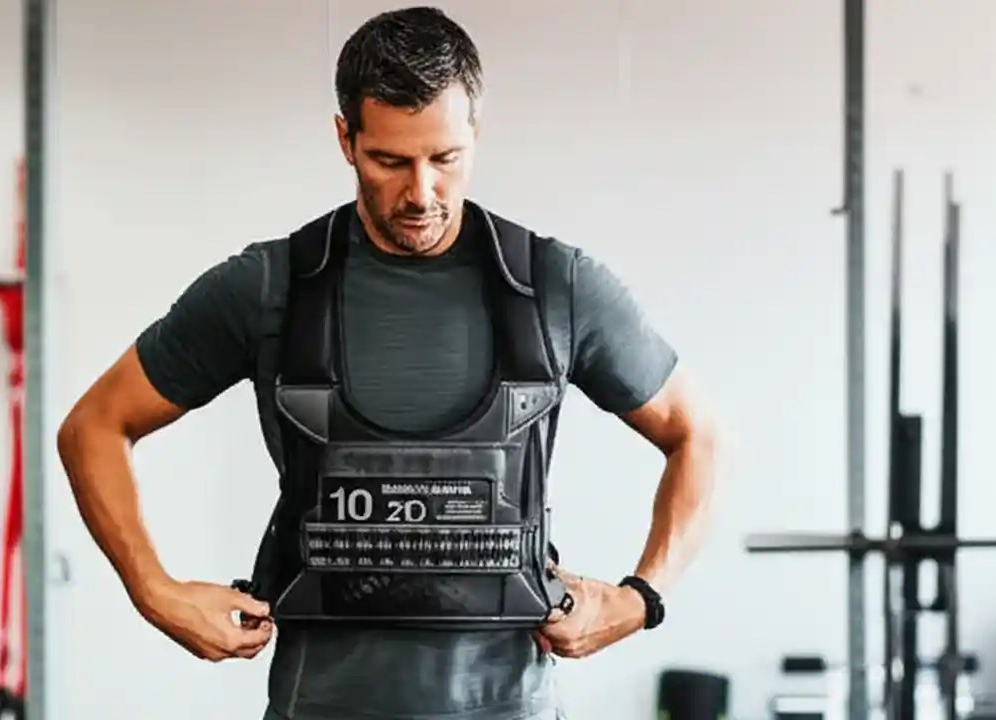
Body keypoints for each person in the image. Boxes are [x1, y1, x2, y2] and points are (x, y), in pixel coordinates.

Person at [56, 6, 723, 719]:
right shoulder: (267, 287)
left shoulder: (556, 287)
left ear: (476, 134)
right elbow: (93, 426)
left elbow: (699, 436)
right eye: (391, 160)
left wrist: (640, 598)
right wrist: (154, 592)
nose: (422, 193)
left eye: (445, 159)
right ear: (346, 138)